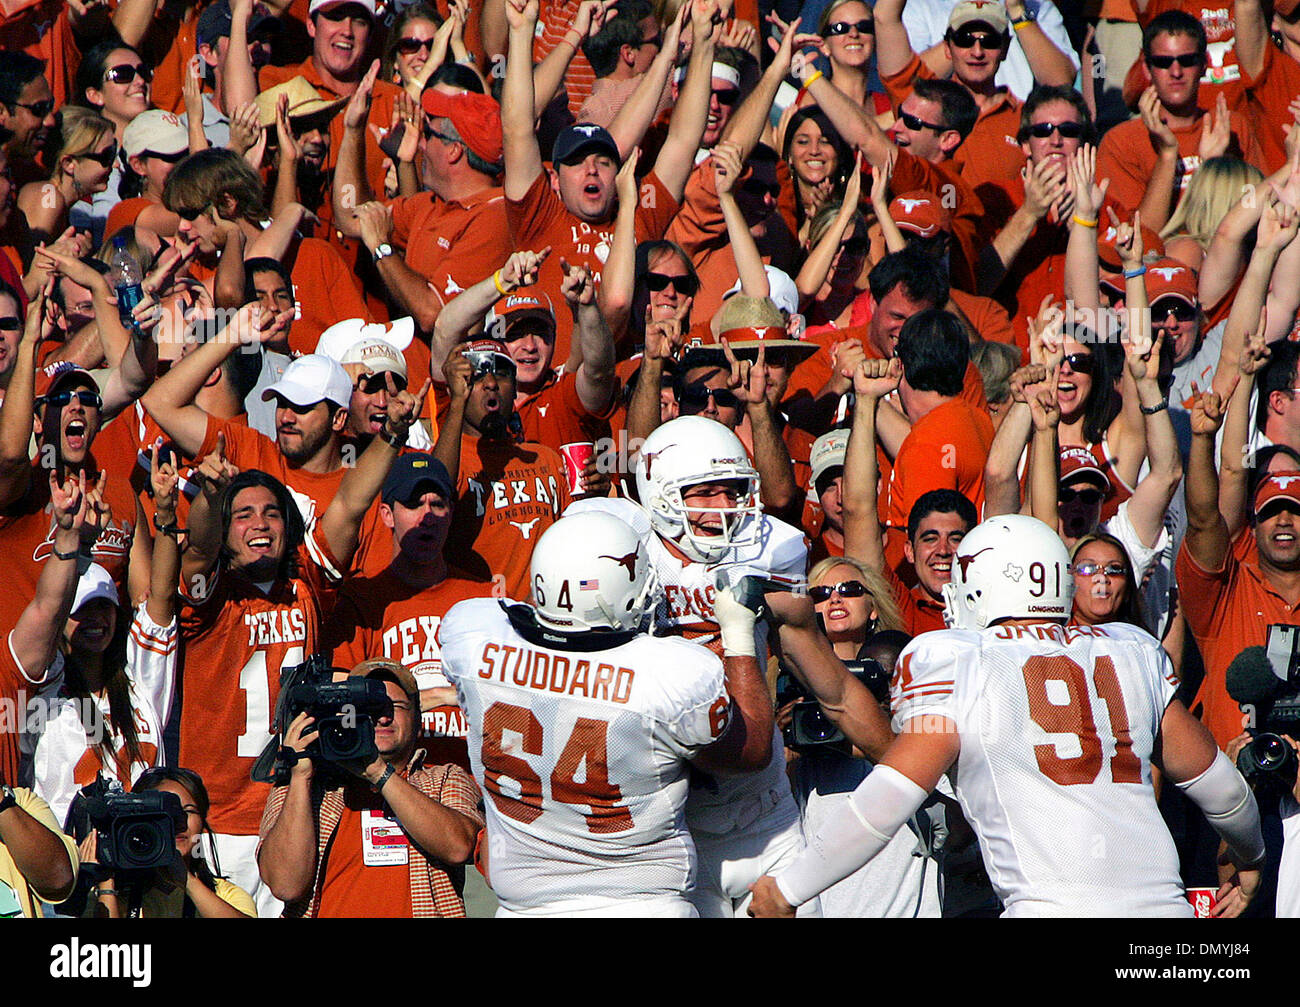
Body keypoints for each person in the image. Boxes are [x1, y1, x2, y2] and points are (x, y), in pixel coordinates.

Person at [750, 514, 1267, 918]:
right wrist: (1249, 856)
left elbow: (886, 799)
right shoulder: (1127, 650)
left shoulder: (957, 660)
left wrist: (791, 887)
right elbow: (1223, 792)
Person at [570, 414, 892, 916]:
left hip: (767, 822)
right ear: (658, 494)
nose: (725, 509)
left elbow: (837, 692)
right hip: (669, 836)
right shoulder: (620, 562)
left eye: (734, 491)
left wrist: (908, 777)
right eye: (706, 492)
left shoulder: (768, 557)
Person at [439, 510, 762, 916]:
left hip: (523, 906)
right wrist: (739, 637)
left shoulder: (473, 635)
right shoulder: (671, 674)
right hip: (639, 903)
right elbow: (751, 752)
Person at [258, 657, 484, 918]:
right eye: (369, 705)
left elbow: (459, 848)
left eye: (396, 706)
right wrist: (300, 777)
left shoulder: (445, 779)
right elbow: (285, 885)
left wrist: (378, 772)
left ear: (418, 722)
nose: (383, 716)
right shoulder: (304, 785)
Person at [83, 766, 256, 918]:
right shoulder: (109, 895)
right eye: (166, 813)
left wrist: (187, 882)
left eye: (188, 811)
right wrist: (106, 884)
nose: (178, 822)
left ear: (202, 822)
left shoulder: (225, 895)